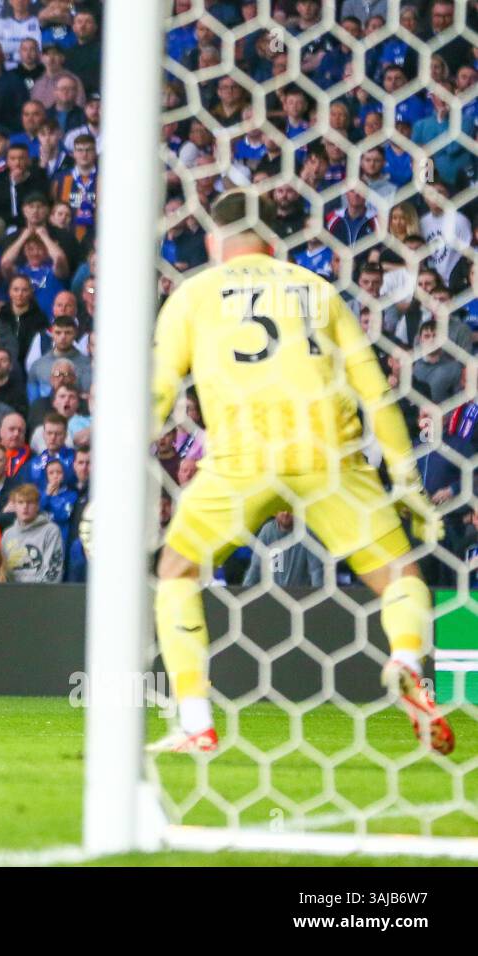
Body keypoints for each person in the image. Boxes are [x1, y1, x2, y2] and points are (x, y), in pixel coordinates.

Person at [149, 190, 452, 755]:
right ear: (271, 241)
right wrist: (405, 478)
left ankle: (197, 723)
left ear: (215, 243)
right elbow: (375, 389)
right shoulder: (315, 288)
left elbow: (159, 394)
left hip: (243, 457)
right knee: (400, 576)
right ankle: (408, 659)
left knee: (176, 573)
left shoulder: (192, 295)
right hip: (329, 456)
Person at [1, 483, 64, 582]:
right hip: (10, 593)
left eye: (30, 502)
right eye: (20, 502)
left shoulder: (51, 531)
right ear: (14, 506)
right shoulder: (7, 534)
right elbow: (2, 572)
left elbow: (53, 571)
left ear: (37, 506)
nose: (25, 507)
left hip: (40, 593)